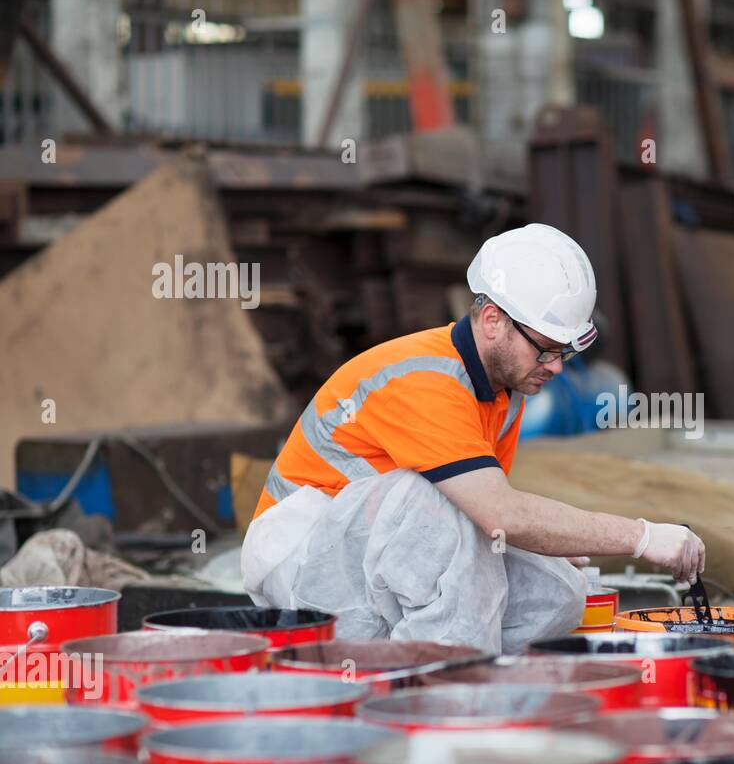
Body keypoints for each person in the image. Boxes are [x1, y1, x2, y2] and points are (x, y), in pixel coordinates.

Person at [241, 223, 706, 654]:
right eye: (545, 349)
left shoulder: (506, 390)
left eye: (563, 351)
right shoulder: (424, 378)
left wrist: (553, 541)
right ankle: (442, 688)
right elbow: (498, 512)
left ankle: (433, 662)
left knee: (560, 593)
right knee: (438, 500)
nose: (557, 367)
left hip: (367, 551)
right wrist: (642, 537)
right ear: (491, 321)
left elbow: (492, 522)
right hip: (299, 562)